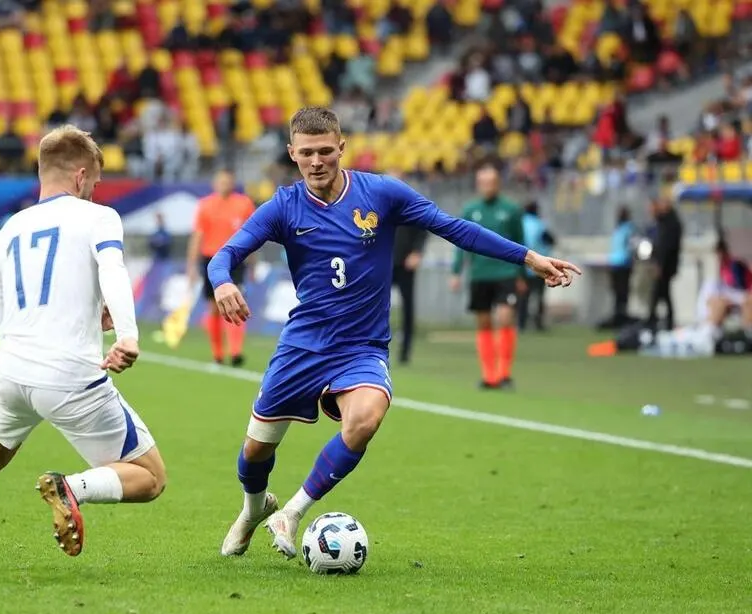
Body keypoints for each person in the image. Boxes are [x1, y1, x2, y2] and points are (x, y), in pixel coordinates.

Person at [209, 107, 580, 560]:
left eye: (325, 151)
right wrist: (222, 281)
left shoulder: (381, 193)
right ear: (292, 153)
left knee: (365, 419)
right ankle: (253, 511)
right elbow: (225, 254)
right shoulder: (283, 207)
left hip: (361, 347)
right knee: (255, 452)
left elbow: (453, 228)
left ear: (342, 148)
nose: (316, 161)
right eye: (306, 153)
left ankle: (292, 512)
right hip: (303, 345)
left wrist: (528, 257)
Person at [0, 125, 167, 572]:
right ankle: (72, 488)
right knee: (150, 477)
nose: (94, 191)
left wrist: (85, 318)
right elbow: (113, 270)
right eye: (94, 183)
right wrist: (126, 334)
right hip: (69, 375)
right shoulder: (98, 217)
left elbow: (0, 305)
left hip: (11, 371)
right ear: (81, 175)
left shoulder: (10, 229)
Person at [450, 164, 527, 389]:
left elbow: (520, 242)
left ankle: (504, 374)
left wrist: (522, 274)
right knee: (484, 322)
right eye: (483, 182)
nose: (487, 186)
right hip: (480, 274)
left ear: (498, 183)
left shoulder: (511, 209)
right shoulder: (470, 210)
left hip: (506, 272)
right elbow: (460, 243)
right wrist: (456, 271)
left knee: (505, 317)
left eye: (491, 182)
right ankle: (489, 375)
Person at [186, 168, 256, 366]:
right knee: (214, 308)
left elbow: (253, 235)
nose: (224, 185)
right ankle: (217, 354)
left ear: (233, 183)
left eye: (228, 182)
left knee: (237, 303)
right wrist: (191, 266)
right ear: (215, 184)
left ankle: (235, 352)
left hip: (236, 259)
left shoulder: (244, 204)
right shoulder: (205, 205)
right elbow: (197, 236)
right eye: (221, 181)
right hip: (212, 261)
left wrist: (253, 263)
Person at [392, 209, 428, 365]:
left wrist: (417, 252)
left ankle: (405, 352)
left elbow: (423, 228)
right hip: (382, 262)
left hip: (405, 263)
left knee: (407, 307)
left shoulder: (408, 204)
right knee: (374, 306)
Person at [517, 200, 555, 331]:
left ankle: (521, 323)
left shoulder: (520, 223)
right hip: (539, 266)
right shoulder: (539, 225)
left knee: (523, 296)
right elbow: (550, 240)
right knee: (539, 296)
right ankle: (538, 323)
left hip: (522, 265)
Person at [647, 196, 683, 331]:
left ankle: (654, 320)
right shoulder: (663, 223)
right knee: (663, 294)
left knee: (659, 293)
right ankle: (662, 320)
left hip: (666, 266)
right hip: (664, 264)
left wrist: (660, 264)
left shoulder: (671, 224)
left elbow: (666, 247)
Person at [602, 206, 635, 330]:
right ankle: (618, 317)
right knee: (618, 292)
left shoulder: (626, 229)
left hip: (622, 264)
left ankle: (621, 317)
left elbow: (630, 246)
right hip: (617, 263)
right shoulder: (621, 229)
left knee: (621, 293)